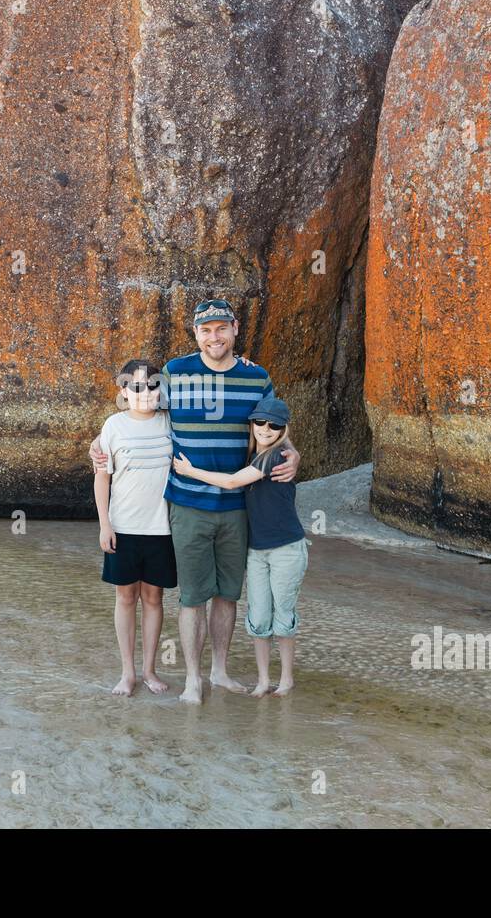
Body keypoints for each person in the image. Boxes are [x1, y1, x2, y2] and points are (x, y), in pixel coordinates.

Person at [90, 299, 300, 704]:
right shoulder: (175, 373)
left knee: (227, 594)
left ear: (235, 329)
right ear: (196, 333)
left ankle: (218, 671)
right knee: (192, 596)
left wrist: (294, 455)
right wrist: (98, 445)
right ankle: (192, 679)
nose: (214, 337)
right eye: (206, 330)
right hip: (186, 506)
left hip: (238, 507)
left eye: (221, 328)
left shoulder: (257, 378)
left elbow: (275, 428)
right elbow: (139, 404)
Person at [172, 397, 308, 697]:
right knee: (259, 617)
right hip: (257, 550)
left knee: (283, 616)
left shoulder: (276, 455)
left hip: (286, 548)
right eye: (260, 422)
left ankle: (285, 680)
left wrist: (190, 471)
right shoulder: (255, 454)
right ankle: (262, 681)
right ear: (252, 423)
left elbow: (233, 482)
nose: (266, 429)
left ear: (285, 429)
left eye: (275, 425)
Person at [94, 360, 176, 696]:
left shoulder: (172, 423)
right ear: (124, 392)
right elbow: (102, 478)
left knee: (154, 598)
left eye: (152, 385)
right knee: (126, 597)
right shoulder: (113, 426)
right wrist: (104, 524)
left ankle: (149, 671)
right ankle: (127, 673)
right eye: (136, 387)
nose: (145, 393)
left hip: (162, 528)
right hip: (123, 526)